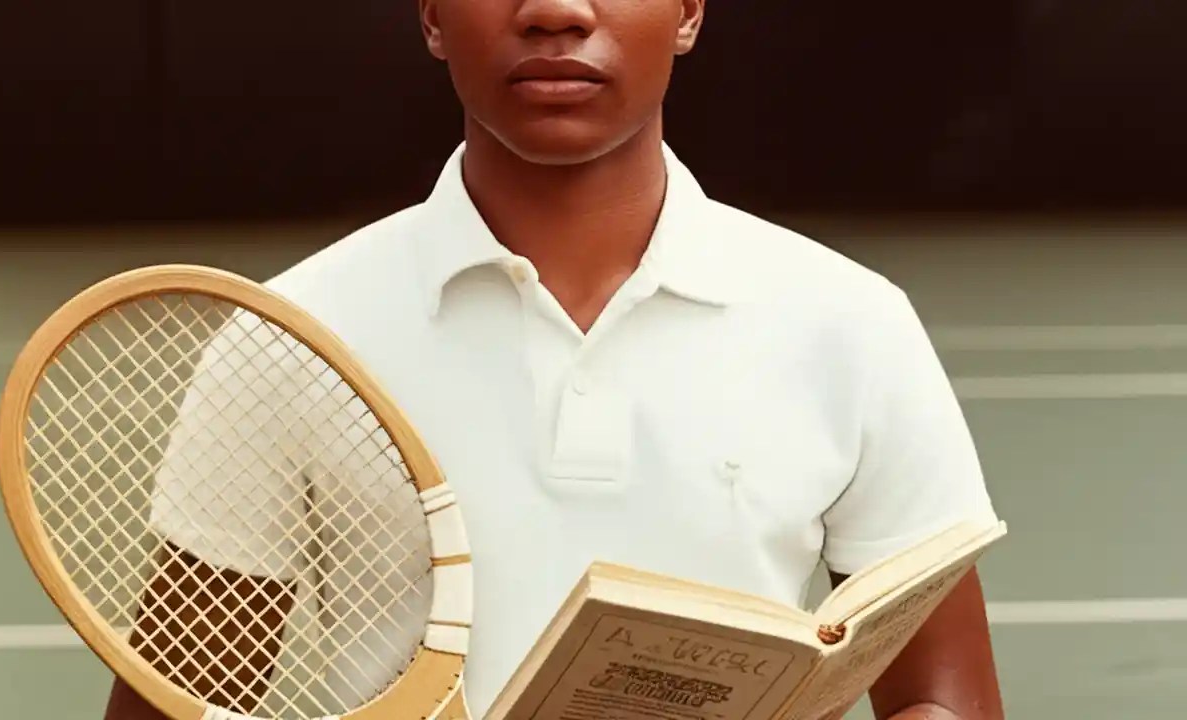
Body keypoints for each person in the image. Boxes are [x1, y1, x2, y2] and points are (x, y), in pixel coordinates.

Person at [106, 1, 1004, 718]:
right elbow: (178, 705)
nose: (555, 12)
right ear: (430, 16)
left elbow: (942, 696)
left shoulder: (851, 323)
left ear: (689, 12)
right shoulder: (292, 335)